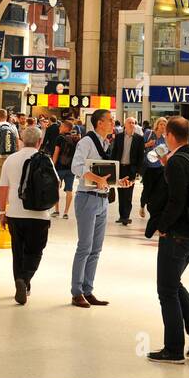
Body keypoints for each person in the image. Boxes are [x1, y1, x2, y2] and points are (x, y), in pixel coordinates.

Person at [144, 116, 189, 364]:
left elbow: (176, 200)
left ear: (170, 135)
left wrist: (162, 227)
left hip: (177, 234)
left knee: (166, 289)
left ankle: (174, 348)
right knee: (173, 284)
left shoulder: (177, 162)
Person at [70, 109, 128, 308]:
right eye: (110, 120)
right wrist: (96, 179)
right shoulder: (86, 142)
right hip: (87, 198)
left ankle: (88, 289)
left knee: (96, 249)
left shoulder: (106, 143)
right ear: (100, 123)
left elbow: (105, 176)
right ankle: (76, 292)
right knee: (85, 247)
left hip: (102, 200)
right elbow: (76, 167)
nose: (113, 123)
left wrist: (118, 182)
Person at [0, 125, 56, 305]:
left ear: (21, 140)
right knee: (35, 251)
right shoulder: (45, 160)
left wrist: (1, 212)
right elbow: (55, 184)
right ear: (39, 142)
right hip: (39, 215)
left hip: (15, 213)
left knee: (18, 251)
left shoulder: (11, 159)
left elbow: (3, 189)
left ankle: (20, 284)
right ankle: (25, 279)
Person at [112, 116, 145, 226]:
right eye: (129, 122)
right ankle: (122, 216)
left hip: (131, 169)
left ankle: (126, 216)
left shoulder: (139, 139)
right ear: (125, 125)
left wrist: (138, 172)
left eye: (133, 123)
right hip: (120, 167)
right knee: (121, 192)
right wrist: (112, 167)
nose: (132, 124)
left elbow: (141, 156)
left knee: (128, 193)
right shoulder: (119, 137)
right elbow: (114, 151)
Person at [51, 114, 81, 220]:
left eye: (61, 126)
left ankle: (57, 210)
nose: (59, 128)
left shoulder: (60, 138)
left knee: (55, 189)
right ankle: (66, 212)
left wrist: (52, 166)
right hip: (71, 169)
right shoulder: (75, 138)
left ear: (66, 128)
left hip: (59, 167)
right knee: (69, 190)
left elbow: (56, 153)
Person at [139, 116, 168, 219]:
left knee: (157, 190)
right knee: (147, 188)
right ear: (157, 125)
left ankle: (153, 211)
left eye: (165, 125)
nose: (163, 126)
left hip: (159, 167)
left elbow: (166, 153)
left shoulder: (165, 139)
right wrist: (148, 144)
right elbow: (139, 146)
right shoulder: (149, 133)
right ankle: (142, 205)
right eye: (161, 124)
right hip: (148, 166)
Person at [0, 109, 19, 186]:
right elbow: (17, 142)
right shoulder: (13, 127)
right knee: (9, 181)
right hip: (11, 157)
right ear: (6, 116)